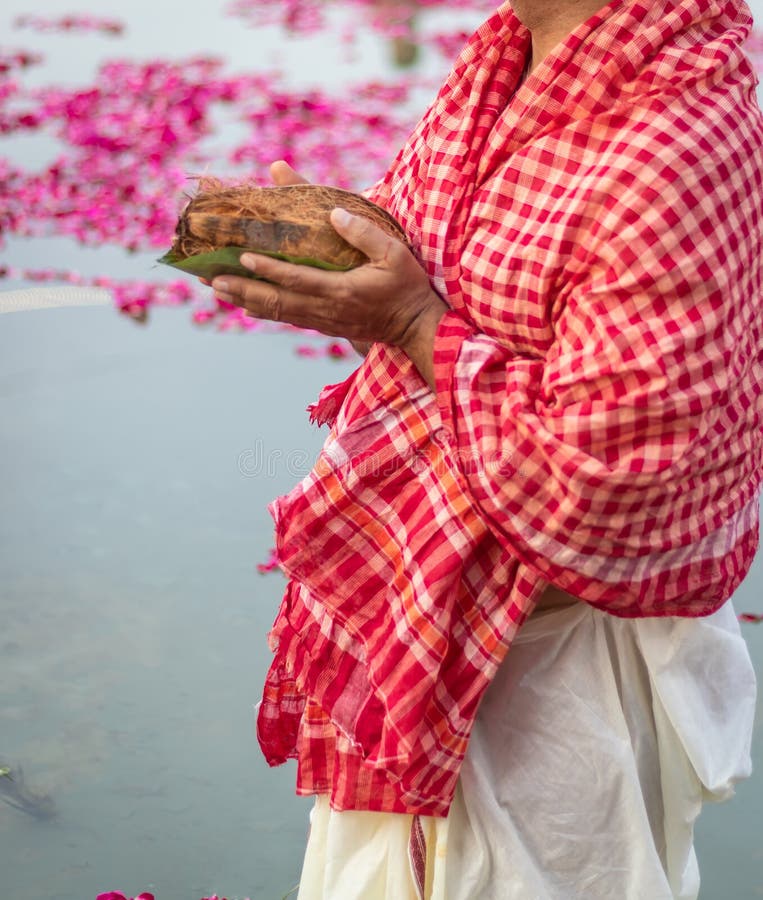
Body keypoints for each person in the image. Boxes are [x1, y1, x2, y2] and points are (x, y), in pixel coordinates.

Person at [211, 0, 763, 896]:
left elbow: (602, 476)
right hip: (431, 630)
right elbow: (443, 276)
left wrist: (407, 320)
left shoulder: (670, 136)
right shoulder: (509, 60)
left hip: (551, 680)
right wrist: (317, 251)